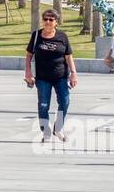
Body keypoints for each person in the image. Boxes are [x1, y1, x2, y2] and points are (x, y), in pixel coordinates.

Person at [25, 10, 78, 141]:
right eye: (45, 19)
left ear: (56, 22)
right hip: (42, 78)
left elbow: (68, 56)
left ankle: (58, 128)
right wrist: (28, 72)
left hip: (60, 77)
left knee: (65, 102)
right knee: (43, 105)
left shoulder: (62, 37)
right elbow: (29, 55)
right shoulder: (36, 35)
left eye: (51, 19)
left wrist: (73, 73)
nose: (47, 22)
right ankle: (46, 132)